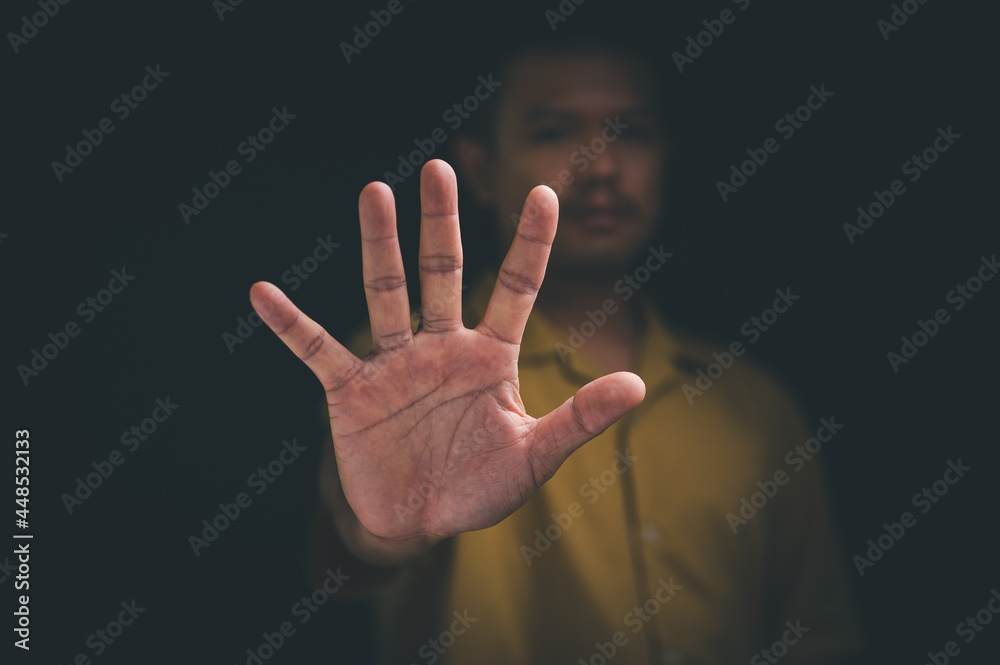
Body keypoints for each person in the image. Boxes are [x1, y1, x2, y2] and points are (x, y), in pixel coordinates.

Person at [249, 38, 862, 665]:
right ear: (482, 170)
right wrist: (379, 535)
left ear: (666, 160)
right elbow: (343, 567)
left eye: (632, 132)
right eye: (553, 130)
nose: (602, 165)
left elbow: (818, 633)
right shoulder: (402, 374)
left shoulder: (754, 406)